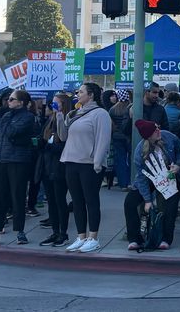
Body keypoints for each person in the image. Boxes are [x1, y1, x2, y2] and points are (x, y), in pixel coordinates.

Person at [61, 83, 112, 253]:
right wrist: (59, 116)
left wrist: (97, 162)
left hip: (89, 164)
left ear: (91, 95)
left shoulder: (100, 114)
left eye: (81, 92)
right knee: (77, 201)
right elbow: (63, 135)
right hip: (71, 160)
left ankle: (93, 237)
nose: (77, 94)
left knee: (91, 200)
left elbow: (103, 139)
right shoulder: (74, 113)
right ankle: (81, 236)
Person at [0, 90, 39, 247]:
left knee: (17, 195)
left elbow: (11, 133)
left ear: (21, 102)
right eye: (7, 99)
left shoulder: (28, 117)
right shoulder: (6, 116)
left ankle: (20, 231)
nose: (8, 102)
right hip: (1, 159)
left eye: (11, 99)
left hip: (18, 161)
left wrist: (1, 119)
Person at [125, 119, 180, 251]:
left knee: (169, 205)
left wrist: (178, 165)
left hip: (170, 177)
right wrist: (147, 200)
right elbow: (141, 178)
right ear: (148, 135)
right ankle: (134, 239)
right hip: (149, 179)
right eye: (155, 130)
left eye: (157, 128)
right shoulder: (140, 151)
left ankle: (165, 238)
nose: (158, 131)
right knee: (130, 202)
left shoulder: (169, 137)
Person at [38, 92, 71, 247]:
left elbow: (65, 144)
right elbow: (43, 140)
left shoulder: (65, 120)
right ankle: (55, 231)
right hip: (47, 166)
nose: (54, 106)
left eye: (56, 104)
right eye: (53, 104)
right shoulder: (50, 120)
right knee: (51, 202)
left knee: (60, 201)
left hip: (60, 167)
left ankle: (63, 233)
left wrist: (51, 147)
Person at [108, 92, 132, 190]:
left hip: (117, 136)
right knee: (131, 159)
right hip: (129, 137)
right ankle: (131, 181)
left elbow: (111, 124)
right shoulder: (130, 108)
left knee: (120, 160)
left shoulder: (112, 109)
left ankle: (123, 184)